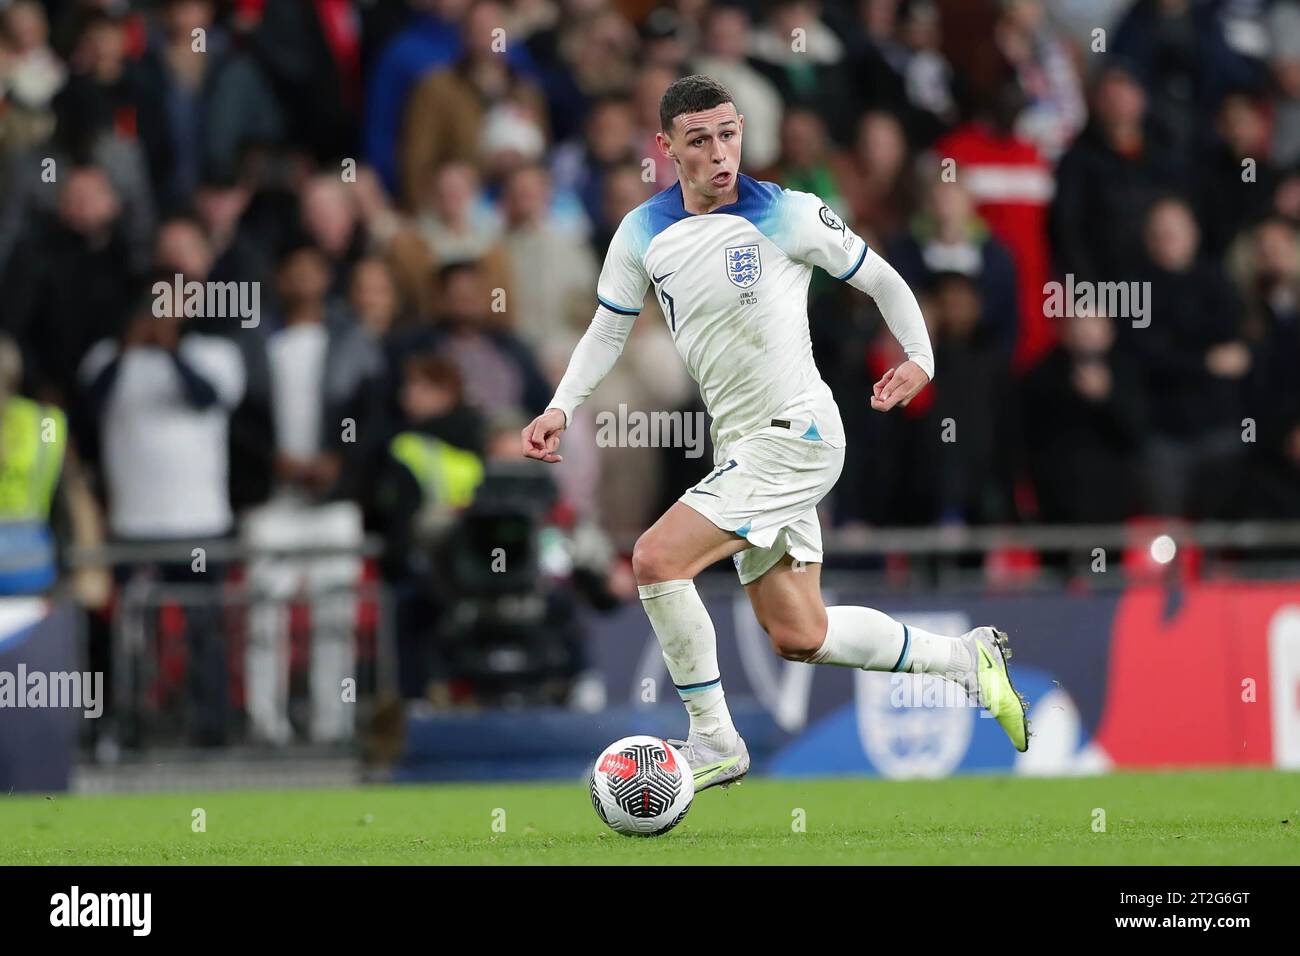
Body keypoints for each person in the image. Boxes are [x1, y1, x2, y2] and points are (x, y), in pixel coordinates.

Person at [521, 75, 1029, 791]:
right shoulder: (641, 231)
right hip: (745, 449)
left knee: (656, 560)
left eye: (729, 134)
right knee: (801, 634)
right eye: (699, 140)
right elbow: (608, 329)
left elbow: (882, 280)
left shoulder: (790, 213)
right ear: (666, 148)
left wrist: (922, 358)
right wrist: (560, 408)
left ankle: (714, 742)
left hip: (797, 434)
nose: (721, 152)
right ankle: (965, 662)